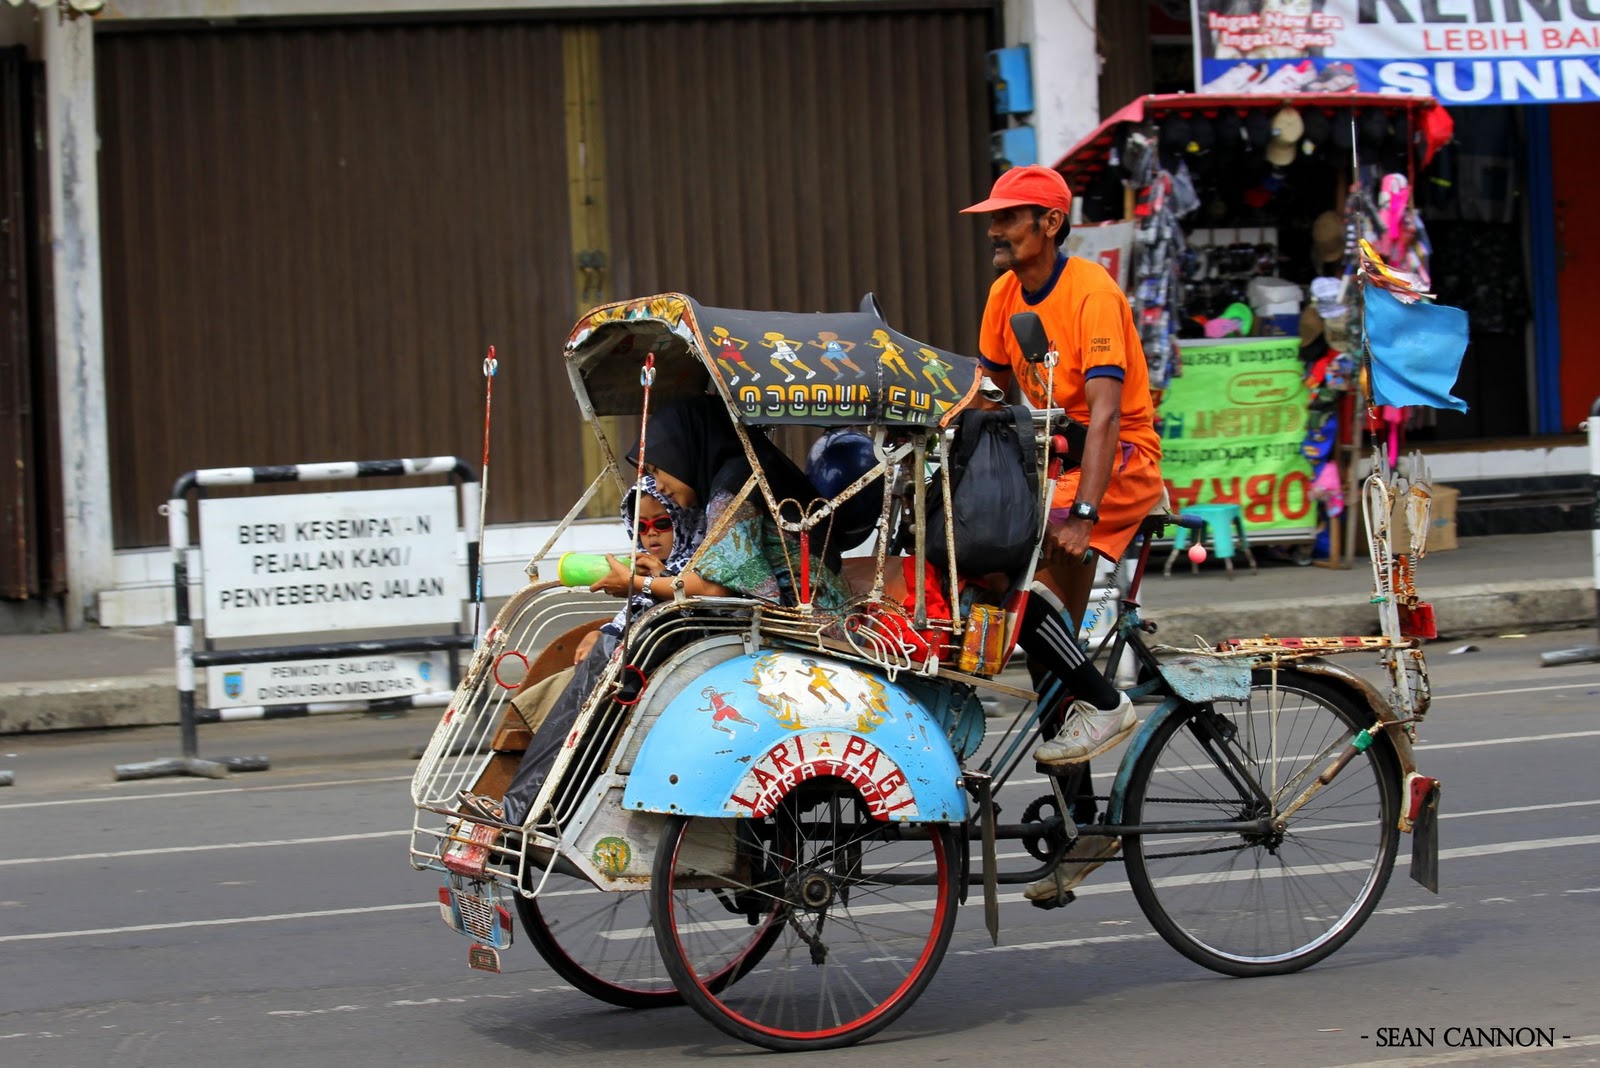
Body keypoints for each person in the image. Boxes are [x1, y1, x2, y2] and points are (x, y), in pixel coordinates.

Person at [960, 163, 1165, 902]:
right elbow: (984, 396)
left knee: (1027, 596)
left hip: (1118, 464)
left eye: (1008, 219)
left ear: (1049, 223)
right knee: (1047, 648)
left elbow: (1108, 415)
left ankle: (1109, 704)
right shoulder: (1002, 295)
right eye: (993, 219)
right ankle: (1085, 827)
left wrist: (1083, 513)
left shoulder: (1093, 293)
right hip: (1053, 467)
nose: (994, 231)